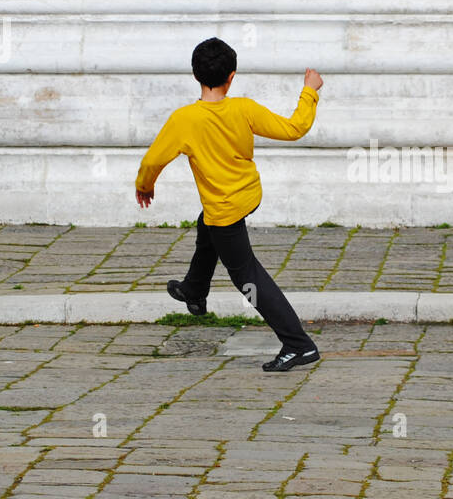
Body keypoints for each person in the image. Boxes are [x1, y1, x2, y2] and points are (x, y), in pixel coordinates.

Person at [135, 38, 324, 372]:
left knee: (248, 279)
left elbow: (152, 161)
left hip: (225, 210)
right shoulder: (244, 108)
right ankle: (194, 288)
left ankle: (298, 344)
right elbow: (295, 128)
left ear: (196, 75)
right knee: (205, 222)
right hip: (248, 196)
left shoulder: (185, 119)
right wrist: (309, 90)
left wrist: (144, 187)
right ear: (231, 76)